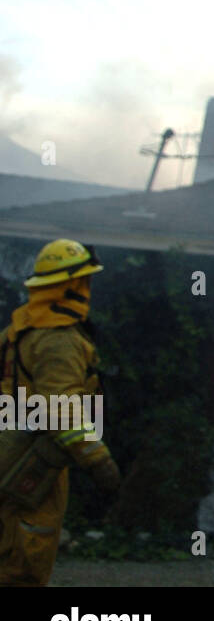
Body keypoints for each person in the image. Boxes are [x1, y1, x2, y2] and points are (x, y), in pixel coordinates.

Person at [0, 239, 120, 586]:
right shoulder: (58, 339)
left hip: (10, 456)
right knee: (24, 560)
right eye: (86, 280)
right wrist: (98, 460)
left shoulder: (18, 330)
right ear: (73, 285)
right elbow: (61, 408)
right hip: (34, 464)